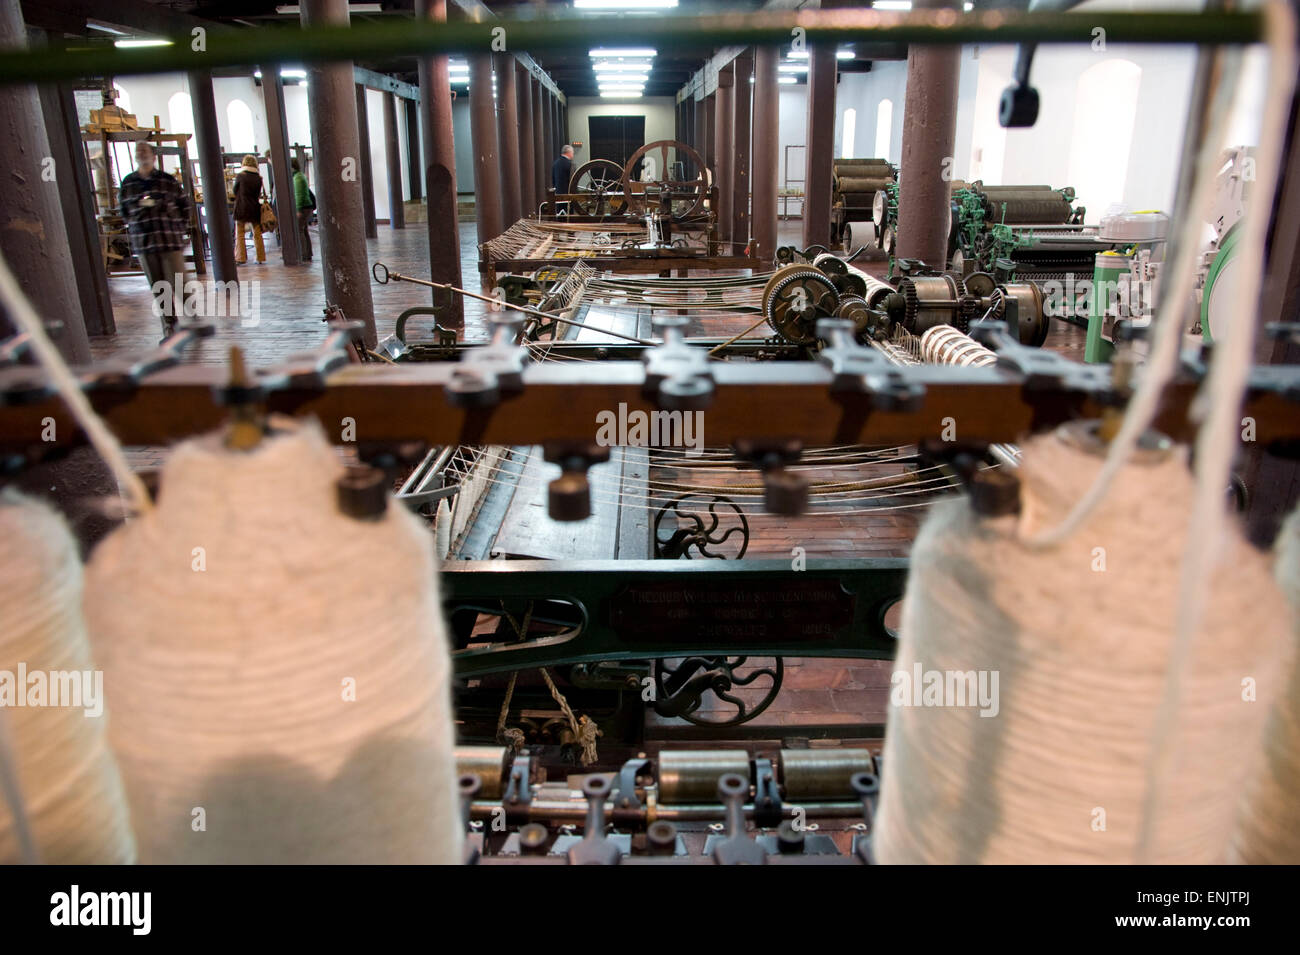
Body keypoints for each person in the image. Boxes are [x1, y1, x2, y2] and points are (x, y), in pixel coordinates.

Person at [119, 140, 190, 336]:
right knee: (159, 288)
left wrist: (179, 229)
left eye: (145, 150)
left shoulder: (167, 180)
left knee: (179, 282)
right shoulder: (129, 183)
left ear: (153, 155)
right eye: (138, 151)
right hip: (145, 242)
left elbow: (184, 206)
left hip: (169, 240)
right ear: (135, 156)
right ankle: (169, 325)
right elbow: (124, 211)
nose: (141, 153)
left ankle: (193, 318)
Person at [232, 155, 265, 265]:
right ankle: (260, 257)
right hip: (254, 207)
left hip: (242, 207)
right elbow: (258, 193)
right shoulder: (258, 178)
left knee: (240, 233)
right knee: (257, 233)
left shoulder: (241, 176)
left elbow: (235, 190)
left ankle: (240, 258)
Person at [292, 158, 314, 262]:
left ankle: (303, 254)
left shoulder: (297, 178)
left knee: (299, 230)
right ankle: (307, 253)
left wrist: (299, 210)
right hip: (307, 207)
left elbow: (299, 195)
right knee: (304, 230)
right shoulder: (300, 176)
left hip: (303, 207)